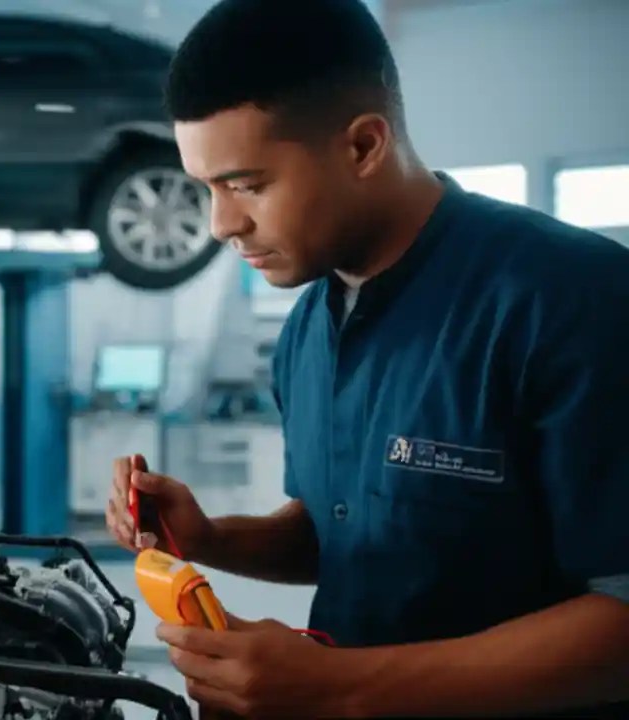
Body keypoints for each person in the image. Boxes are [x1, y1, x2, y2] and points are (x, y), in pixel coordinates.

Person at [106, 0, 629, 717]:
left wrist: (337, 686)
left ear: (362, 147)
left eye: (247, 184)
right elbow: (346, 534)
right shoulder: (306, 332)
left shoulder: (570, 299)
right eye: (205, 188)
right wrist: (211, 538)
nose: (221, 223)